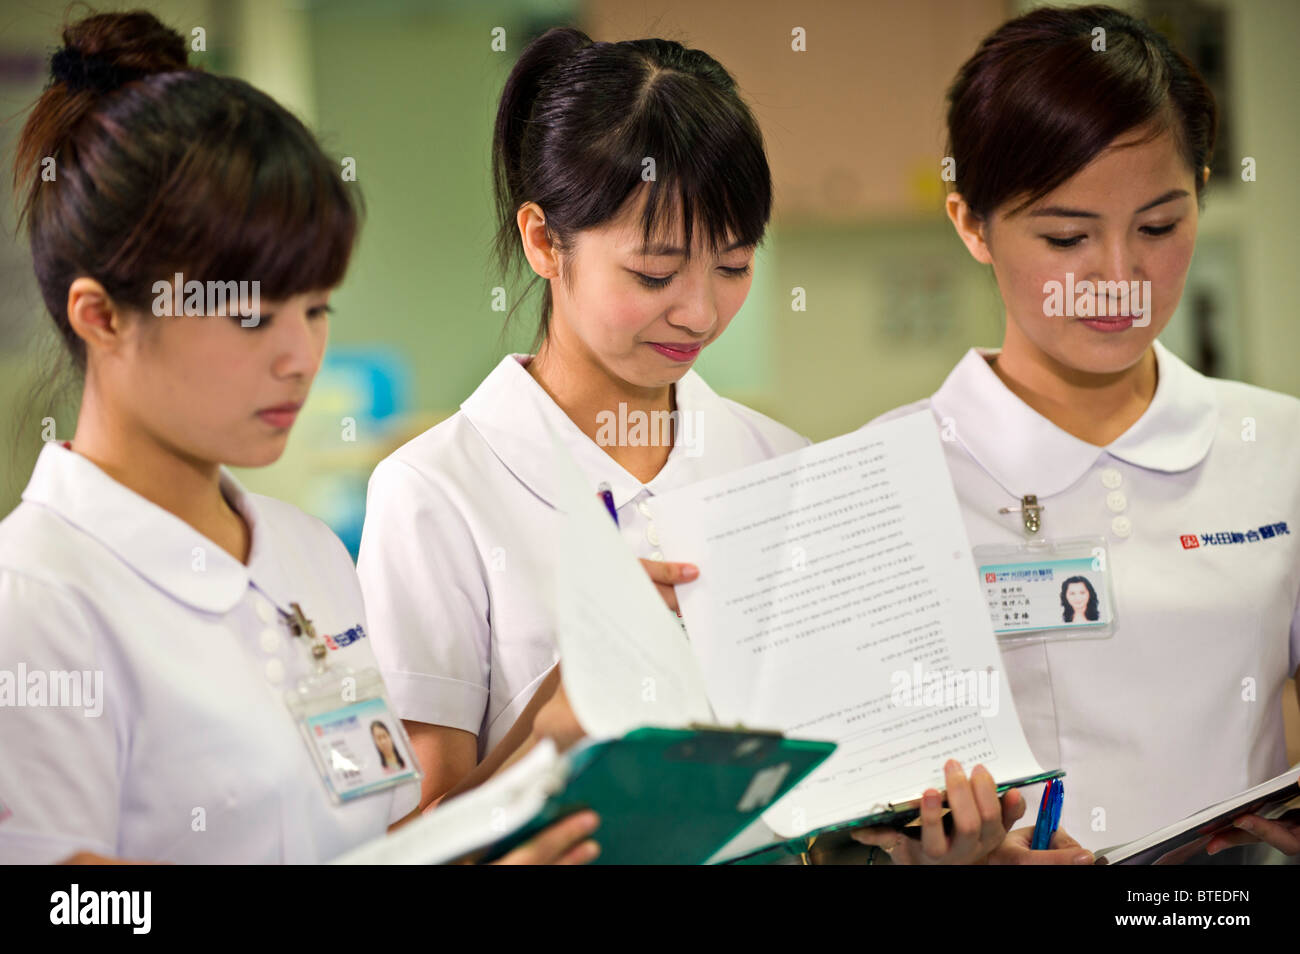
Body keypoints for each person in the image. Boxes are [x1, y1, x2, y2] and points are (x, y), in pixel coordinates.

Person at [0, 9, 596, 866]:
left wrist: (549, 729)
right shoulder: (37, 599)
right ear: (101, 318)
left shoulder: (306, 557)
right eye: (249, 314)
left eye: (315, 308)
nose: (299, 357)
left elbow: (384, 847)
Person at [866, 4, 1300, 861]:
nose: (1117, 277)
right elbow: (850, 808)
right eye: (1067, 235)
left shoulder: (1279, 448)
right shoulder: (884, 481)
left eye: (1159, 227)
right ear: (969, 223)